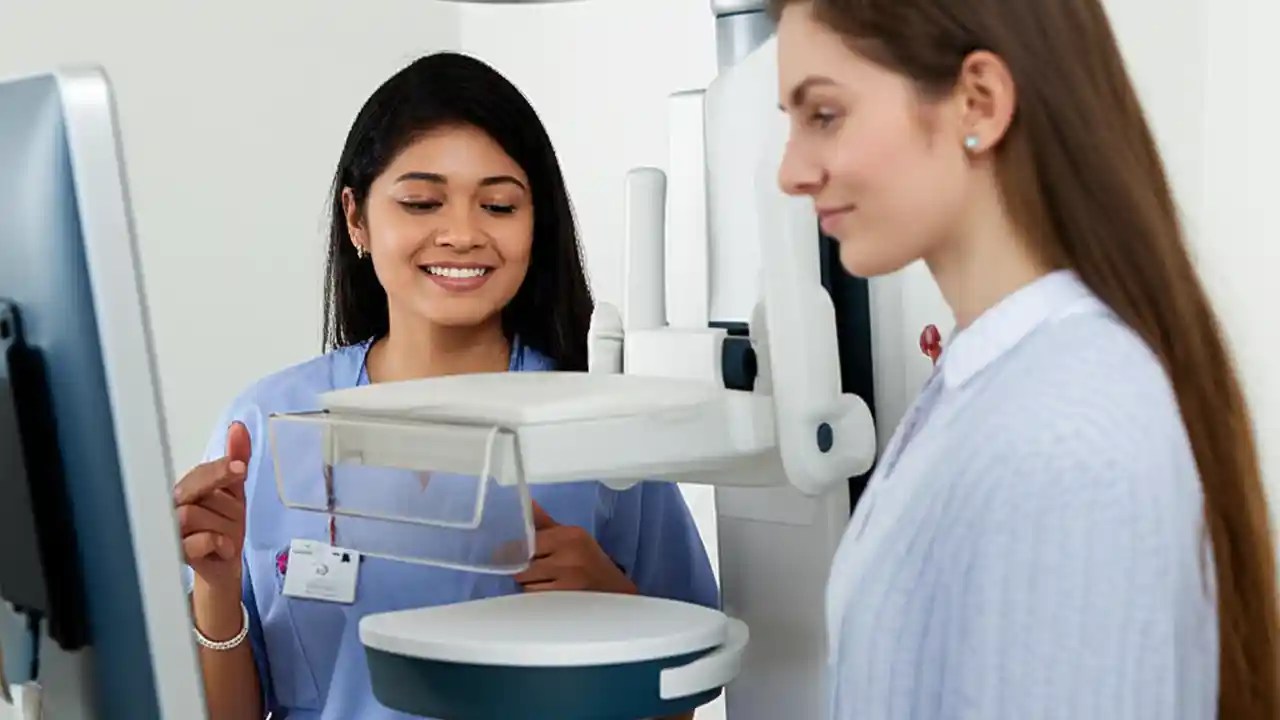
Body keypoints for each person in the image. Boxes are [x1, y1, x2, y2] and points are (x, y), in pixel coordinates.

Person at [769, 0, 1278, 718]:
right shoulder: (986, 382)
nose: (790, 171)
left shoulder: (1065, 436)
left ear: (978, 102)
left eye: (824, 115)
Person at [172, 52, 718, 720]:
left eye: (497, 204)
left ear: (534, 222)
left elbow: (681, 704)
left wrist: (615, 611)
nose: (462, 234)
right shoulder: (268, 426)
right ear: (357, 218)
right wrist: (215, 585)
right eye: (422, 202)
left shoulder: (600, 425)